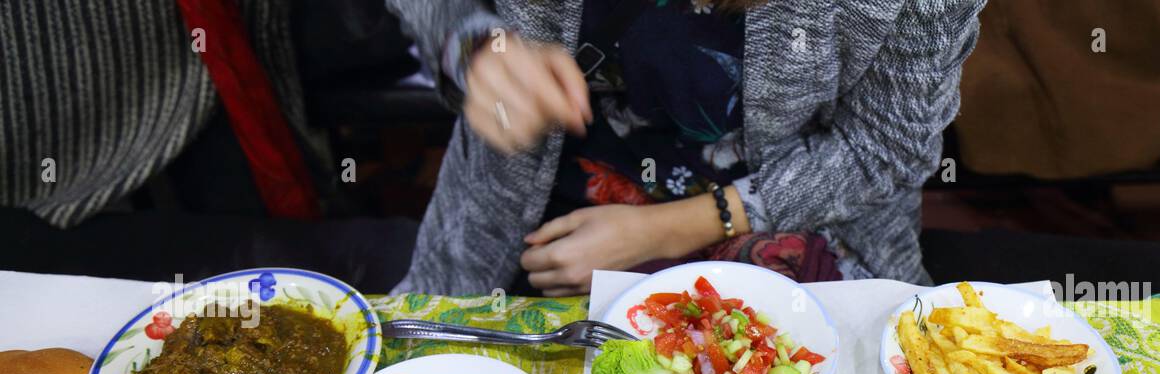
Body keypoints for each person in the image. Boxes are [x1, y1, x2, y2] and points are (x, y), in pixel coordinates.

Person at [386, 0, 984, 295]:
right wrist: (469, 43)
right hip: (525, 230)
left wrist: (665, 231)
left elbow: (885, 145)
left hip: (802, 226)